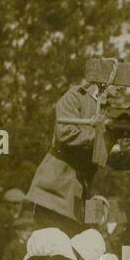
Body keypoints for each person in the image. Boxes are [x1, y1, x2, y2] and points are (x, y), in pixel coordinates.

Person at [27, 83, 104, 235]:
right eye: (117, 87)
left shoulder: (108, 108)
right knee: (49, 248)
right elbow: (65, 133)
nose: (120, 91)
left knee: (73, 248)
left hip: (77, 194)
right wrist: (101, 136)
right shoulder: (75, 97)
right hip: (54, 188)